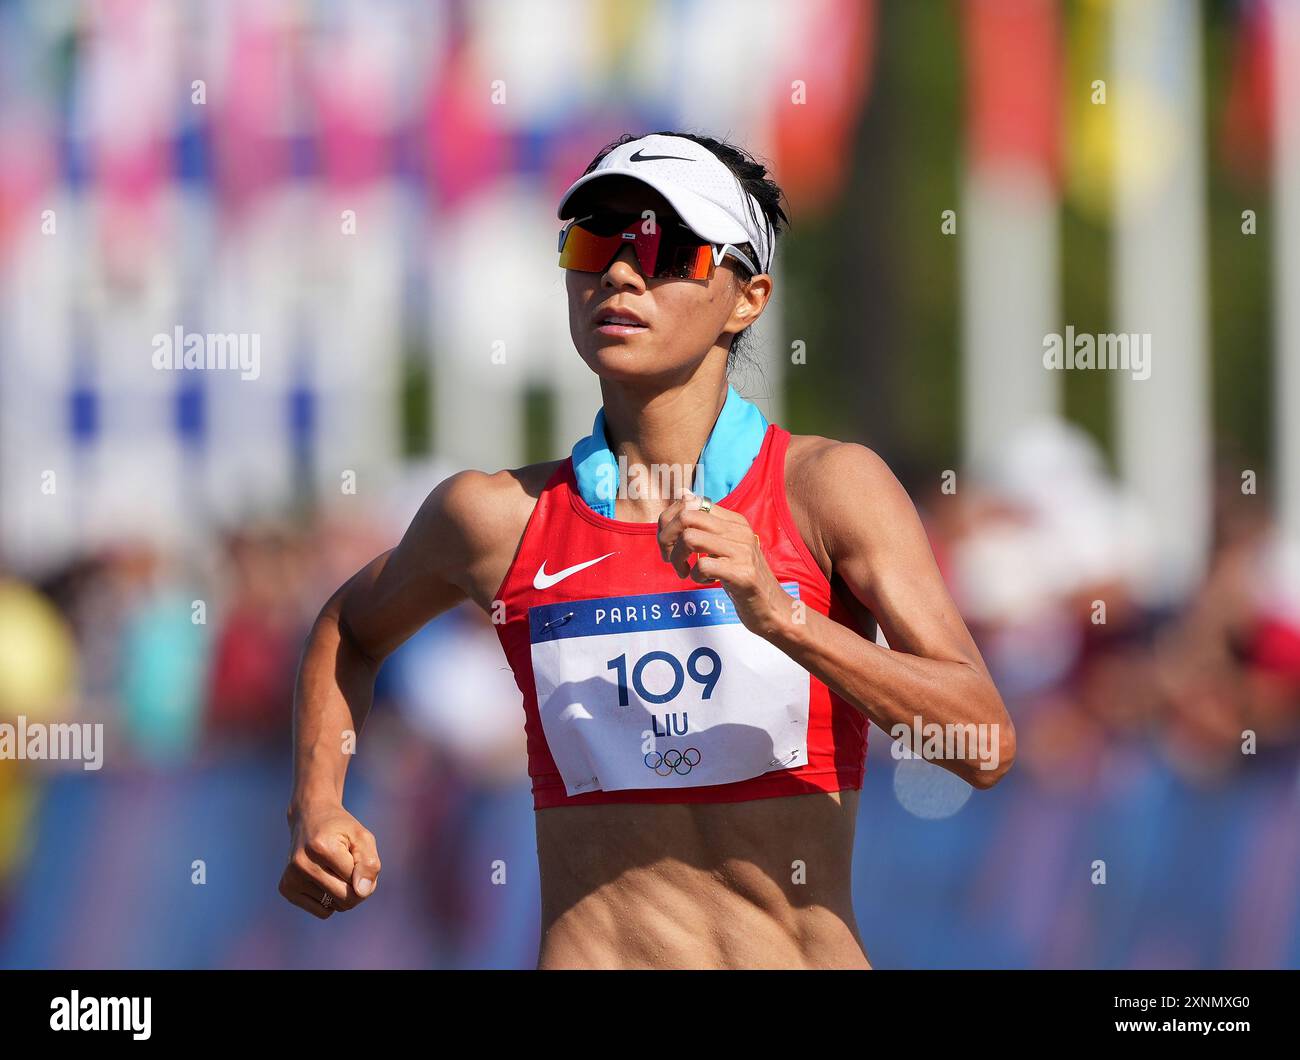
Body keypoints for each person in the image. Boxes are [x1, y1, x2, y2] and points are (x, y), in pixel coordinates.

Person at [278, 131, 1015, 969]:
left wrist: (786, 619)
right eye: (594, 242)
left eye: (664, 248)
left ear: (747, 299)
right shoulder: (496, 517)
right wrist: (317, 802)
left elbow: (982, 745)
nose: (619, 273)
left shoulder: (828, 490)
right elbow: (349, 627)